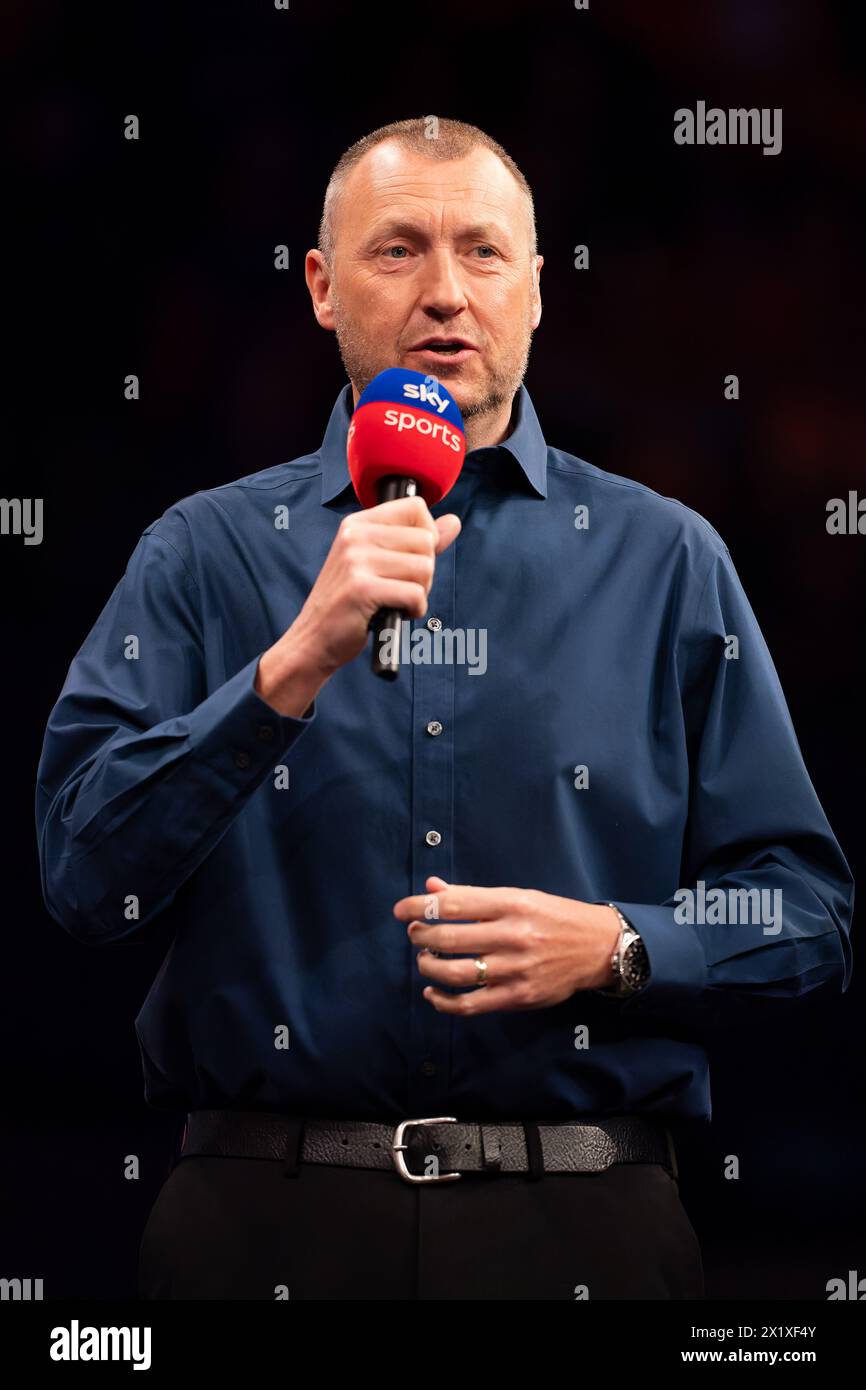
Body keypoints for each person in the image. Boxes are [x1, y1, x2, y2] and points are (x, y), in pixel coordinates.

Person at [35, 117, 853, 1301]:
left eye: (479, 253)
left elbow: (809, 914)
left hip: (584, 1231)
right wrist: (291, 667)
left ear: (534, 289)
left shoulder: (666, 558)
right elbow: (79, 875)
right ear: (320, 287)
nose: (442, 294)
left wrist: (619, 946)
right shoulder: (203, 554)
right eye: (395, 250)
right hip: (262, 1231)